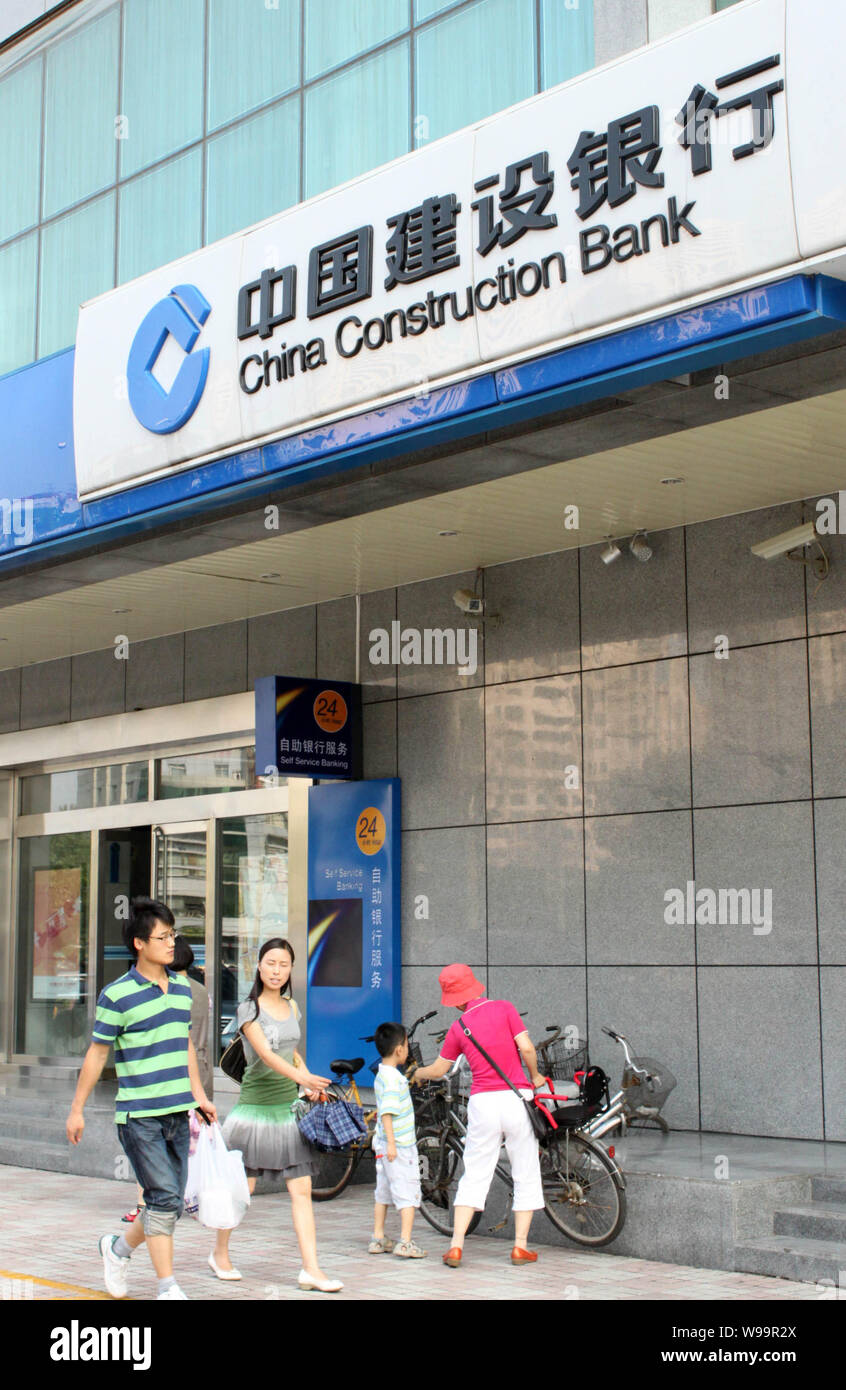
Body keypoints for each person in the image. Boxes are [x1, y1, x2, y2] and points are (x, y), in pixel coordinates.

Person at [66, 897, 217, 1301]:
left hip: (177, 1111)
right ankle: (167, 1286)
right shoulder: (117, 996)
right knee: (165, 1198)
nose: (172, 944)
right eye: (163, 937)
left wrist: (199, 1095)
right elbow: (98, 1053)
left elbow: (183, 1043)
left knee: (166, 1202)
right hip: (139, 1116)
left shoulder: (183, 988)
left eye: (173, 935)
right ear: (139, 943)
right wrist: (77, 1110)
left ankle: (117, 1250)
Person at [210, 936, 342, 1293]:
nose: (276, 970)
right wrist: (303, 1078)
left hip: (287, 1111)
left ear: (290, 970)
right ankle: (220, 1254)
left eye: (283, 965)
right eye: (271, 963)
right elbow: (267, 1055)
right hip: (254, 1112)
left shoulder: (292, 1007)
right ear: (259, 965)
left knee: (301, 1190)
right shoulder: (248, 1009)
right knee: (243, 1191)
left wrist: (306, 1081)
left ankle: (311, 1269)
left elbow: (290, 1050)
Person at [413, 963, 546, 1270]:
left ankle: (456, 1246)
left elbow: (437, 1071)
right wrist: (535, 1075)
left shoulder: (459, 1029)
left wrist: (414, 1073)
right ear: (475, 986)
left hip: (483, 1103)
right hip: (516, 1099)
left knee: (474, 1173)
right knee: (524, 1169)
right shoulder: (504, 1008)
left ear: (455, 1000)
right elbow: (526, 1047)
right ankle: (520, 1248)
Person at [369, 1021, 427, 1259]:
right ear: (399, 1050)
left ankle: (378, 1237)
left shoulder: (382, 1074)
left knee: (383, 1191)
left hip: (383, 1146)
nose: (407, 1048)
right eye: (405, 1043)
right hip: (399, 1147)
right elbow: (388, 1112)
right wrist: (393, 1143)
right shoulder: (394, 1080)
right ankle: (405, 1241)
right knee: (408, 1191)